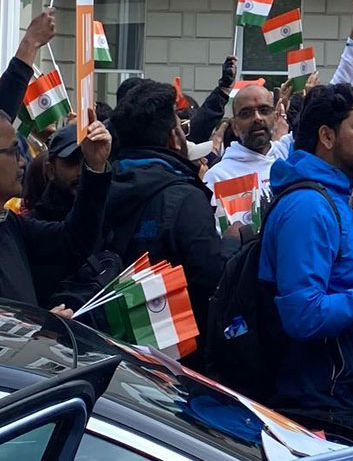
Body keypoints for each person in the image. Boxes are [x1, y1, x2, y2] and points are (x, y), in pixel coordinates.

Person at [259, 84, 353, 411]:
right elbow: (303, 314)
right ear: (326, 137)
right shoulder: (308, 207)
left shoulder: (332, 195)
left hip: (337, 389)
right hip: (317, 402)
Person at [106, 80, 245, 342]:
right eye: (181, 128)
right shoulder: (184, 198)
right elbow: (212, 274)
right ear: (173, 137)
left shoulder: (99, 184)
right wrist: (232, 242)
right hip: (174, 349)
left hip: (110, 340)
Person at [0, 110, 111, 310]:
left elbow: (74, 241)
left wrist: (95, 166)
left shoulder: (10, 223)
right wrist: (37, 331)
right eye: (13, 151)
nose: (22, 161)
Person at [201, 83, 283, 228]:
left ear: (276, 117)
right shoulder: (218, 177)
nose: (257, 118)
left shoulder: (289, 160)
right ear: (235, 126)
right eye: (246, 113)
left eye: (264, 110)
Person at [28, 128, 86, 223]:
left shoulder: (113, 207)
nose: (81, 172)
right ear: (51, 170)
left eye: (87, 162)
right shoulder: (35, 224)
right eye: (71, 162)